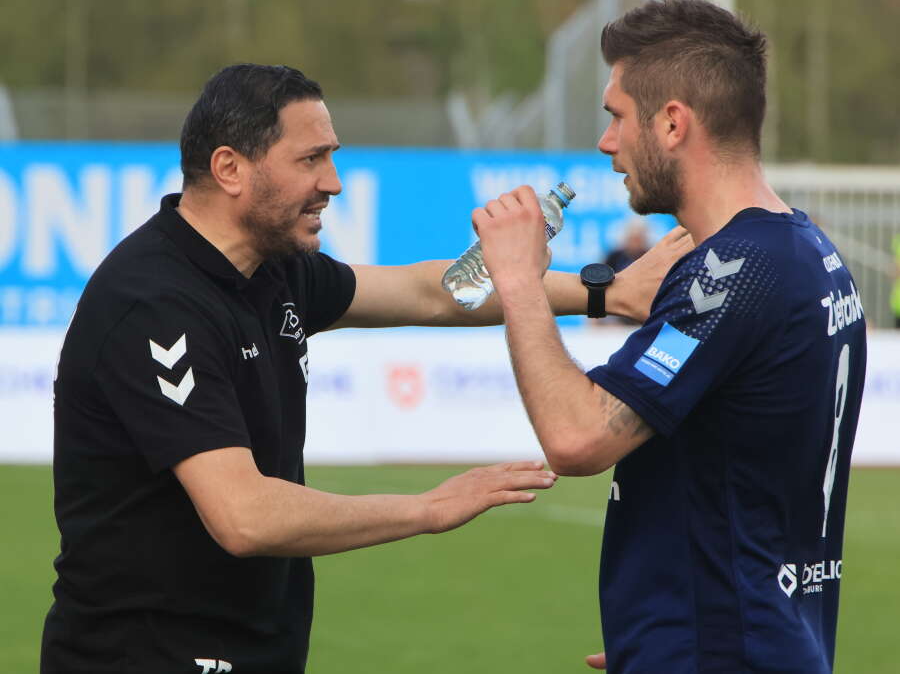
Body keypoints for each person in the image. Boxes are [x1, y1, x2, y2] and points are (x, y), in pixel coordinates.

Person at [40, 63, 690, 674]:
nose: (334, 182)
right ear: (230, 168)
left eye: (333, 157)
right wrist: (427, 508)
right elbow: (244, 516)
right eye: (311, 159)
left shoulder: (274, 269)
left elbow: (432, 292)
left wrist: (612, 293)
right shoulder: (154, 303)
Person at [472, 1, 867, 672]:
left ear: (674, 123)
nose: (607, 142)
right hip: (737, 640)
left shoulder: (737, 270)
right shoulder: (804, 249)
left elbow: (577, 436)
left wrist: (518, 279)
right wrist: (667, 619)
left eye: (616, 116)